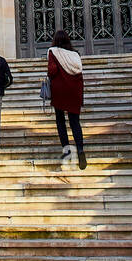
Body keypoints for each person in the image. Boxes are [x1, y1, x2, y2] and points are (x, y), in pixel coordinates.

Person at [47, 28, 86, 168]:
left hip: (60, 90)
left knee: (60, 121)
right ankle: (80, 149)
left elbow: (52, 70)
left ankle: (67, 150)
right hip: (74, 90)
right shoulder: (75, 54)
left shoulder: (53, 52)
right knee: (75, 122)